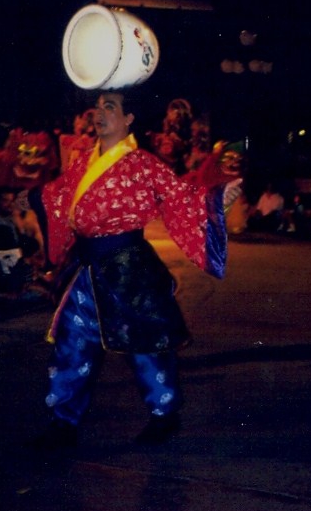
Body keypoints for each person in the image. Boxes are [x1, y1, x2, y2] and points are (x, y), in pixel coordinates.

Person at [31, 89, 231, 449]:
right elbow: (58, 195)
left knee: (146, 344)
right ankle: (63, 422)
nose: (99, 113)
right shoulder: (84, 161)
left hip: (128, 268)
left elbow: (179, 196)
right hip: (86, 268)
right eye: (97, 107)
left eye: (110, 107)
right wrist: (33, 197)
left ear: (128, 119)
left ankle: (163, 414)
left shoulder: (143, 163)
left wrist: (216, 199)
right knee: (72, 344)